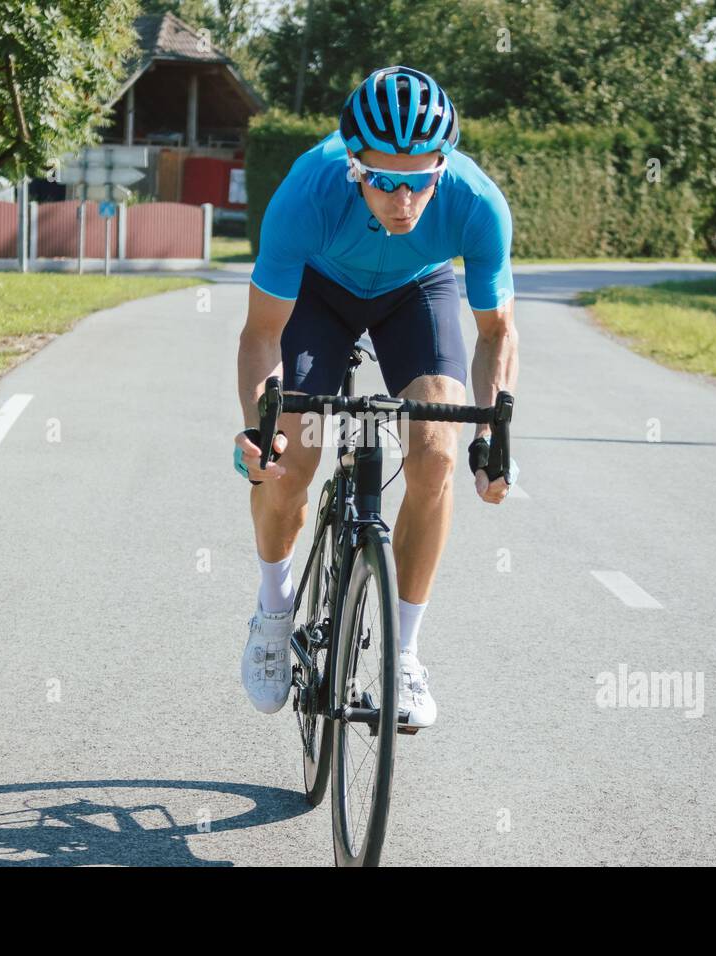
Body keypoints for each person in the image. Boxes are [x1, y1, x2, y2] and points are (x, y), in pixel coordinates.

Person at [234, 65, 519, 731]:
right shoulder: (306, 193)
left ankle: (405, 652)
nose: (404, 199)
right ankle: (274, 610)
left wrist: (492, 438)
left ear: (442, 166)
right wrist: (259, 427)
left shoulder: (476, 203)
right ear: (354, 167)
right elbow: (262, 332)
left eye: (420, 179)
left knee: (436, 457)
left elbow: (496, 334)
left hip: (417, 294)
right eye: (385, 181)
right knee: (290, 462)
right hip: (319, 294)